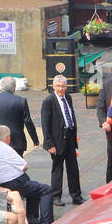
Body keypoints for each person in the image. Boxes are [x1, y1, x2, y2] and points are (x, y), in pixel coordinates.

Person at [0, 125, 55, 224]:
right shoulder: (6, 148)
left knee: (33, 188)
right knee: (46, 190)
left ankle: (31, 219)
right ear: (7, 138)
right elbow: (25, 166)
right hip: (13, 183)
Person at [40, 75, 84, 207]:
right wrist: (49, 144)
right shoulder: (49, 101)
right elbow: (45, 124)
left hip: (69, 137)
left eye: (63, 86)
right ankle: (55, 196)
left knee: (73, 168)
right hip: (57, 140)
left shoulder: (68, 98)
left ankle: (76, 195)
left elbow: (70, 115)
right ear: (53, 86)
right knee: (57, 169)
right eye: (58, 86)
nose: (61, 89)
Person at [0, 77, 39, 152]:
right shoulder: (21, 101)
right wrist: (35, 139)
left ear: (1, 87)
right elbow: (28, 122)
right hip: (15, 142)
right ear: (14, 88)